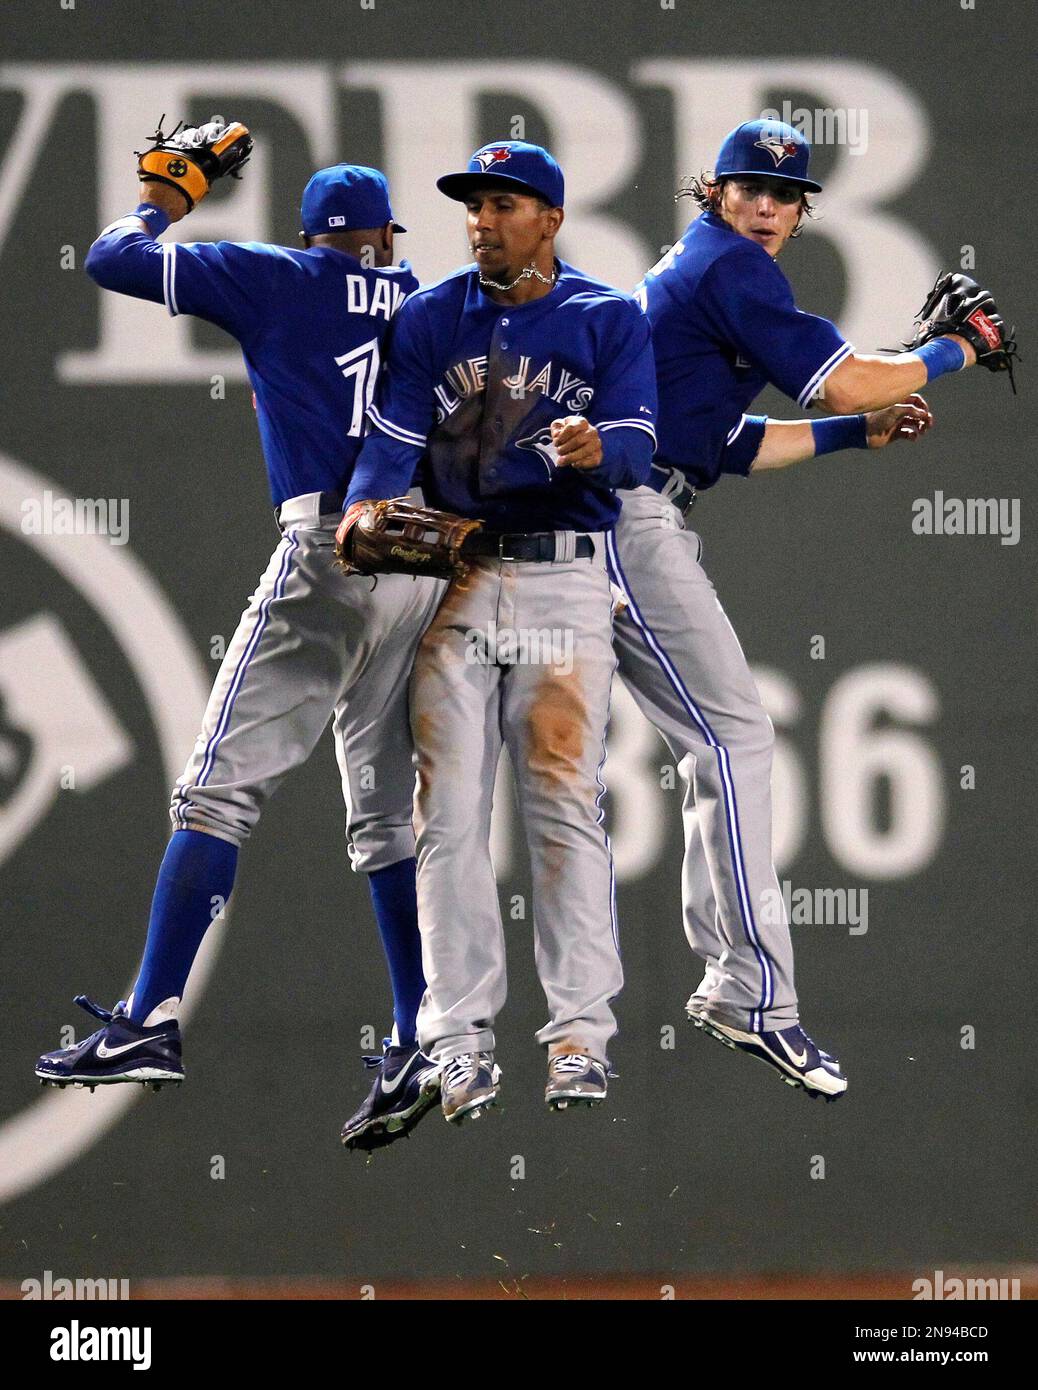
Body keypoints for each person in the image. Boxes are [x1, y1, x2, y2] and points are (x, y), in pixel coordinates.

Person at [34, 135, 443, 1150]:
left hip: (329, 550)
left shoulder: (280, 275)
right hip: (424, 560)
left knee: (215, 793)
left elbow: (112, 258)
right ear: (387, 236)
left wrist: (166, 198)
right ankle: (418, 1030)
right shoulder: (428, 300)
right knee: (387, 817)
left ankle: (151, 1014)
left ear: (313, 236)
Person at [613, 117, 1011, 1099]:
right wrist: (956, 350)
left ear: (801, 212)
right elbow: (848, 379)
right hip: (621, 520)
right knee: (734, 738)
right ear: (716, 193)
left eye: (784, 195)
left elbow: (724, 442)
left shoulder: (706, 269)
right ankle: (747, 994)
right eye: (749, 187)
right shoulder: (730, 268)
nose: (765, 205)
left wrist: (850, 434)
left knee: (690, 746)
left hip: (620, 508)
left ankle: (714, 989)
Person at [340, 140, 658, 1122]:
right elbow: (392, 444)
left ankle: (580, 1036)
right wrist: (363, 509)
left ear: (551, 219)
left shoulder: (607, 316)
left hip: (566, 578)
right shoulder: (432, 317)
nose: (483, 220)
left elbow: (641, 445)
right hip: (463, 576)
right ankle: (459, 1043)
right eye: (475, 205)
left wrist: (599, 443)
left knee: (563, 802)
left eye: (504, 204)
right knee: (447, 810)